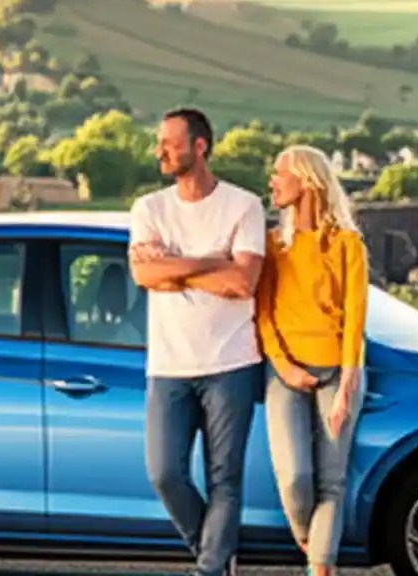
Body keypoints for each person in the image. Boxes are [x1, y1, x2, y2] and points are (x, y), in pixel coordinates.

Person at [127, 107, 267, 576]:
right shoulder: (149, 209)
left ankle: (210, 569)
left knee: (225, 478)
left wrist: (175, 265)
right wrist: (212, 262)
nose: (160, 152)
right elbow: (145, 274)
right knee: (164, 473)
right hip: (169, 366)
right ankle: (215, 555)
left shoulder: (244, 205)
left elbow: (243, 282)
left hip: (231, 363)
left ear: (199, 146)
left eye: (169, 144)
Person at [255, 145, 368, 576]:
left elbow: (355, 319)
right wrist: (284, 365)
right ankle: (311, 542)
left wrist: (346, 390)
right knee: (295, 479)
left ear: (306, 180)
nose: (272, 181)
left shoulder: (347, 244)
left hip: (339, 372)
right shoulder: (273, 245)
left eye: (279, 173)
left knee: (331, 482)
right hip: (284, 372)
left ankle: (321, 567)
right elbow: (263, 314)